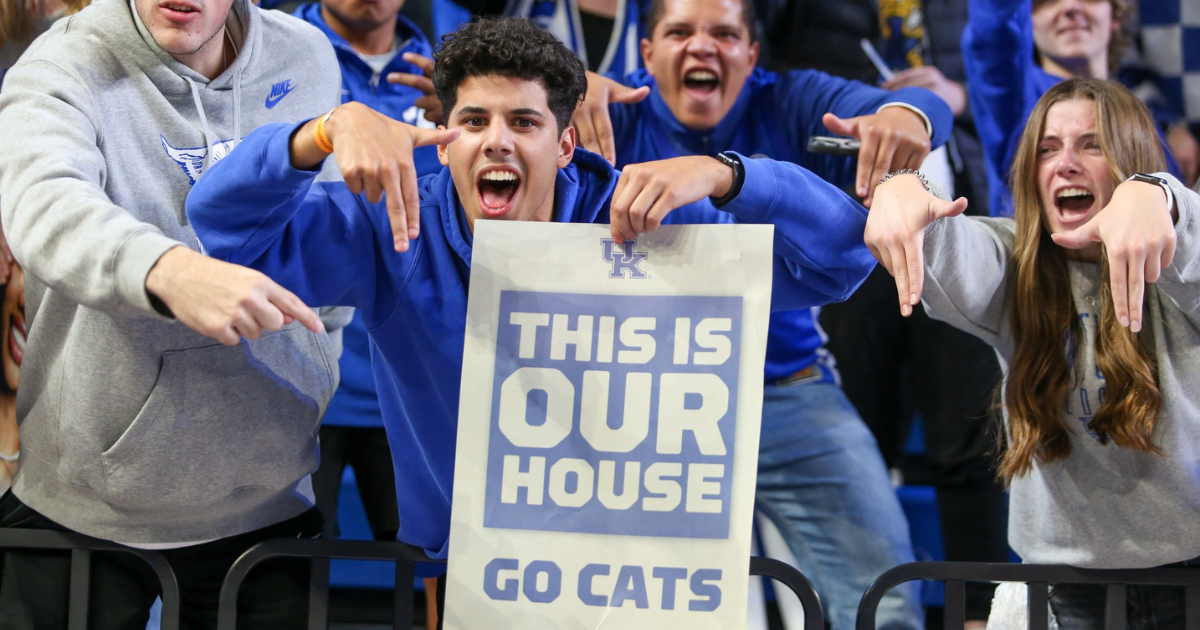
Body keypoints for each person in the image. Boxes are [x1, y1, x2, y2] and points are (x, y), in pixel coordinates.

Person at [184, 15, 879, 621]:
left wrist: (731, 176)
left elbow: (842, 260)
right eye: (474, 122)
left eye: (523, 122)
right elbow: (225, 233)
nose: (497, 142)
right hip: (482, 571)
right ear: (444, 138)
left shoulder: (642, 221)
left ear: (565, 144)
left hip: (648, 576)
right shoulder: (396, 226)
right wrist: (317, 134)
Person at [569, 0, 951, 626]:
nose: (702, 47)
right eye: (680, 32)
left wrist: (906, 113)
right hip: (640, 403)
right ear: (646, 53)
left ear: (751, 53)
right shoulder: (607, 115)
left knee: (886, 600)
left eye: (724, 33)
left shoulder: (793, 98)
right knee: (639, 611)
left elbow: (919, 112)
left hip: (786, 389)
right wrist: (550, 96)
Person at [0, 0, 346, 625]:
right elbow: (43, 206)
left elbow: (329, 233)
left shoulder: (305, 56)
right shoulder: (60, 63)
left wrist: (317, 363)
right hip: (84, 507)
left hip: (268, 501)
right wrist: (170, 271)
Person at [866, 77, 1200, 628]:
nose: (1064, 164)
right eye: (1047, 149)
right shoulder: (1014, 262)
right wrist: (901, 185)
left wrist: (1157, 193)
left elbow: (1188, 234)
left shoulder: (1177, 262)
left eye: (1092, 144)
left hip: (1189, 575)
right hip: (1067, 588)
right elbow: (950, 246)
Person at [962, 0, 1187, 216]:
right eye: (1048, 1)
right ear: (1028, 22)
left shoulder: (1142, 113)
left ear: (1115, 16)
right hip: (1040, 255)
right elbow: (992, 34)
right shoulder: (1013, 95)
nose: (1070, 6)